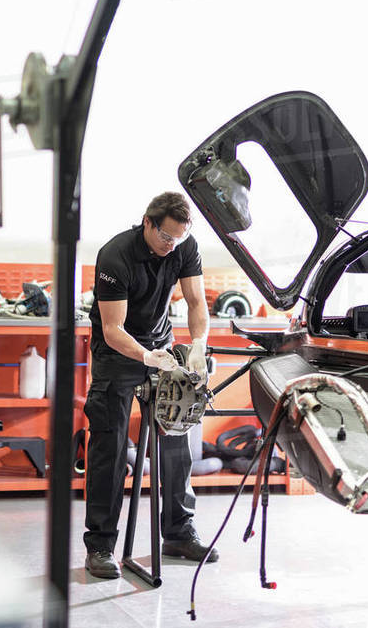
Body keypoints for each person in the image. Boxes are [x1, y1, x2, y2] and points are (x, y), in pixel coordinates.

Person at [83, 191, 215, 579]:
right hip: (118, 353)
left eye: (177, 239)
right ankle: (102, 546)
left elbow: (195, 302)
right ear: (148, 222)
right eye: (165, 237)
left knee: (176, 436)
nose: (170, 245)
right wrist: (144, 357)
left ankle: (177, 532)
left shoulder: (184, 246)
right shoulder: (115, 256)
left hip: (162, 347)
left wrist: (198, 345)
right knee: (110, 446)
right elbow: (112, 329)